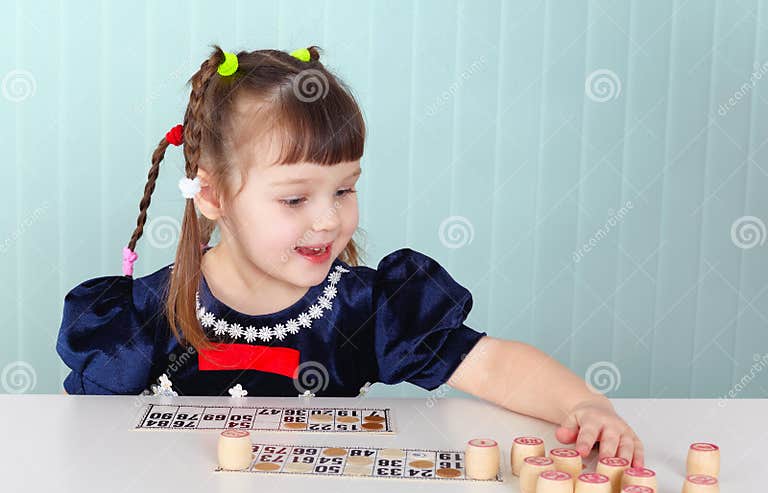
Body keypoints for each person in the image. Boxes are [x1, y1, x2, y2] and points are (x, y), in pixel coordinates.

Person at [56, 45, 644, 468]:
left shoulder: (368, 309)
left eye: (344, 189)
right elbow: (87, 443)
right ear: (212, 195)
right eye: (295, 198)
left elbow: (490, 365)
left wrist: (584, 403)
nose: (328, 219)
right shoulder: (141, 318)